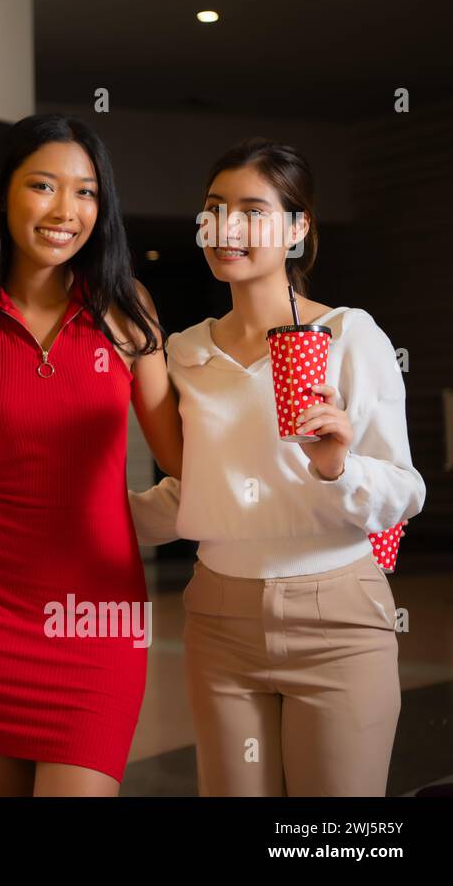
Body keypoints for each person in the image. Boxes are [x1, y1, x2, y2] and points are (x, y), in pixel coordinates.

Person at [130, 138, 425, 796]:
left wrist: (337, 466)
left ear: (297, 229)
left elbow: (404, 492)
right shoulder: (185, 352)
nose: (227, 227)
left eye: (253, 211)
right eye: (214, 209)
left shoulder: (350, 337)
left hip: (340, 621)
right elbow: (196, 495)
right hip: (218, 622)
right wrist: (80, 513)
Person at [0, 113, 183, 796]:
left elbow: (180, 454)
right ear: (4, 192)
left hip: (100, 614)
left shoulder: (126, 307)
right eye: (44, 185)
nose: (66, 210)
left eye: (86, 192)